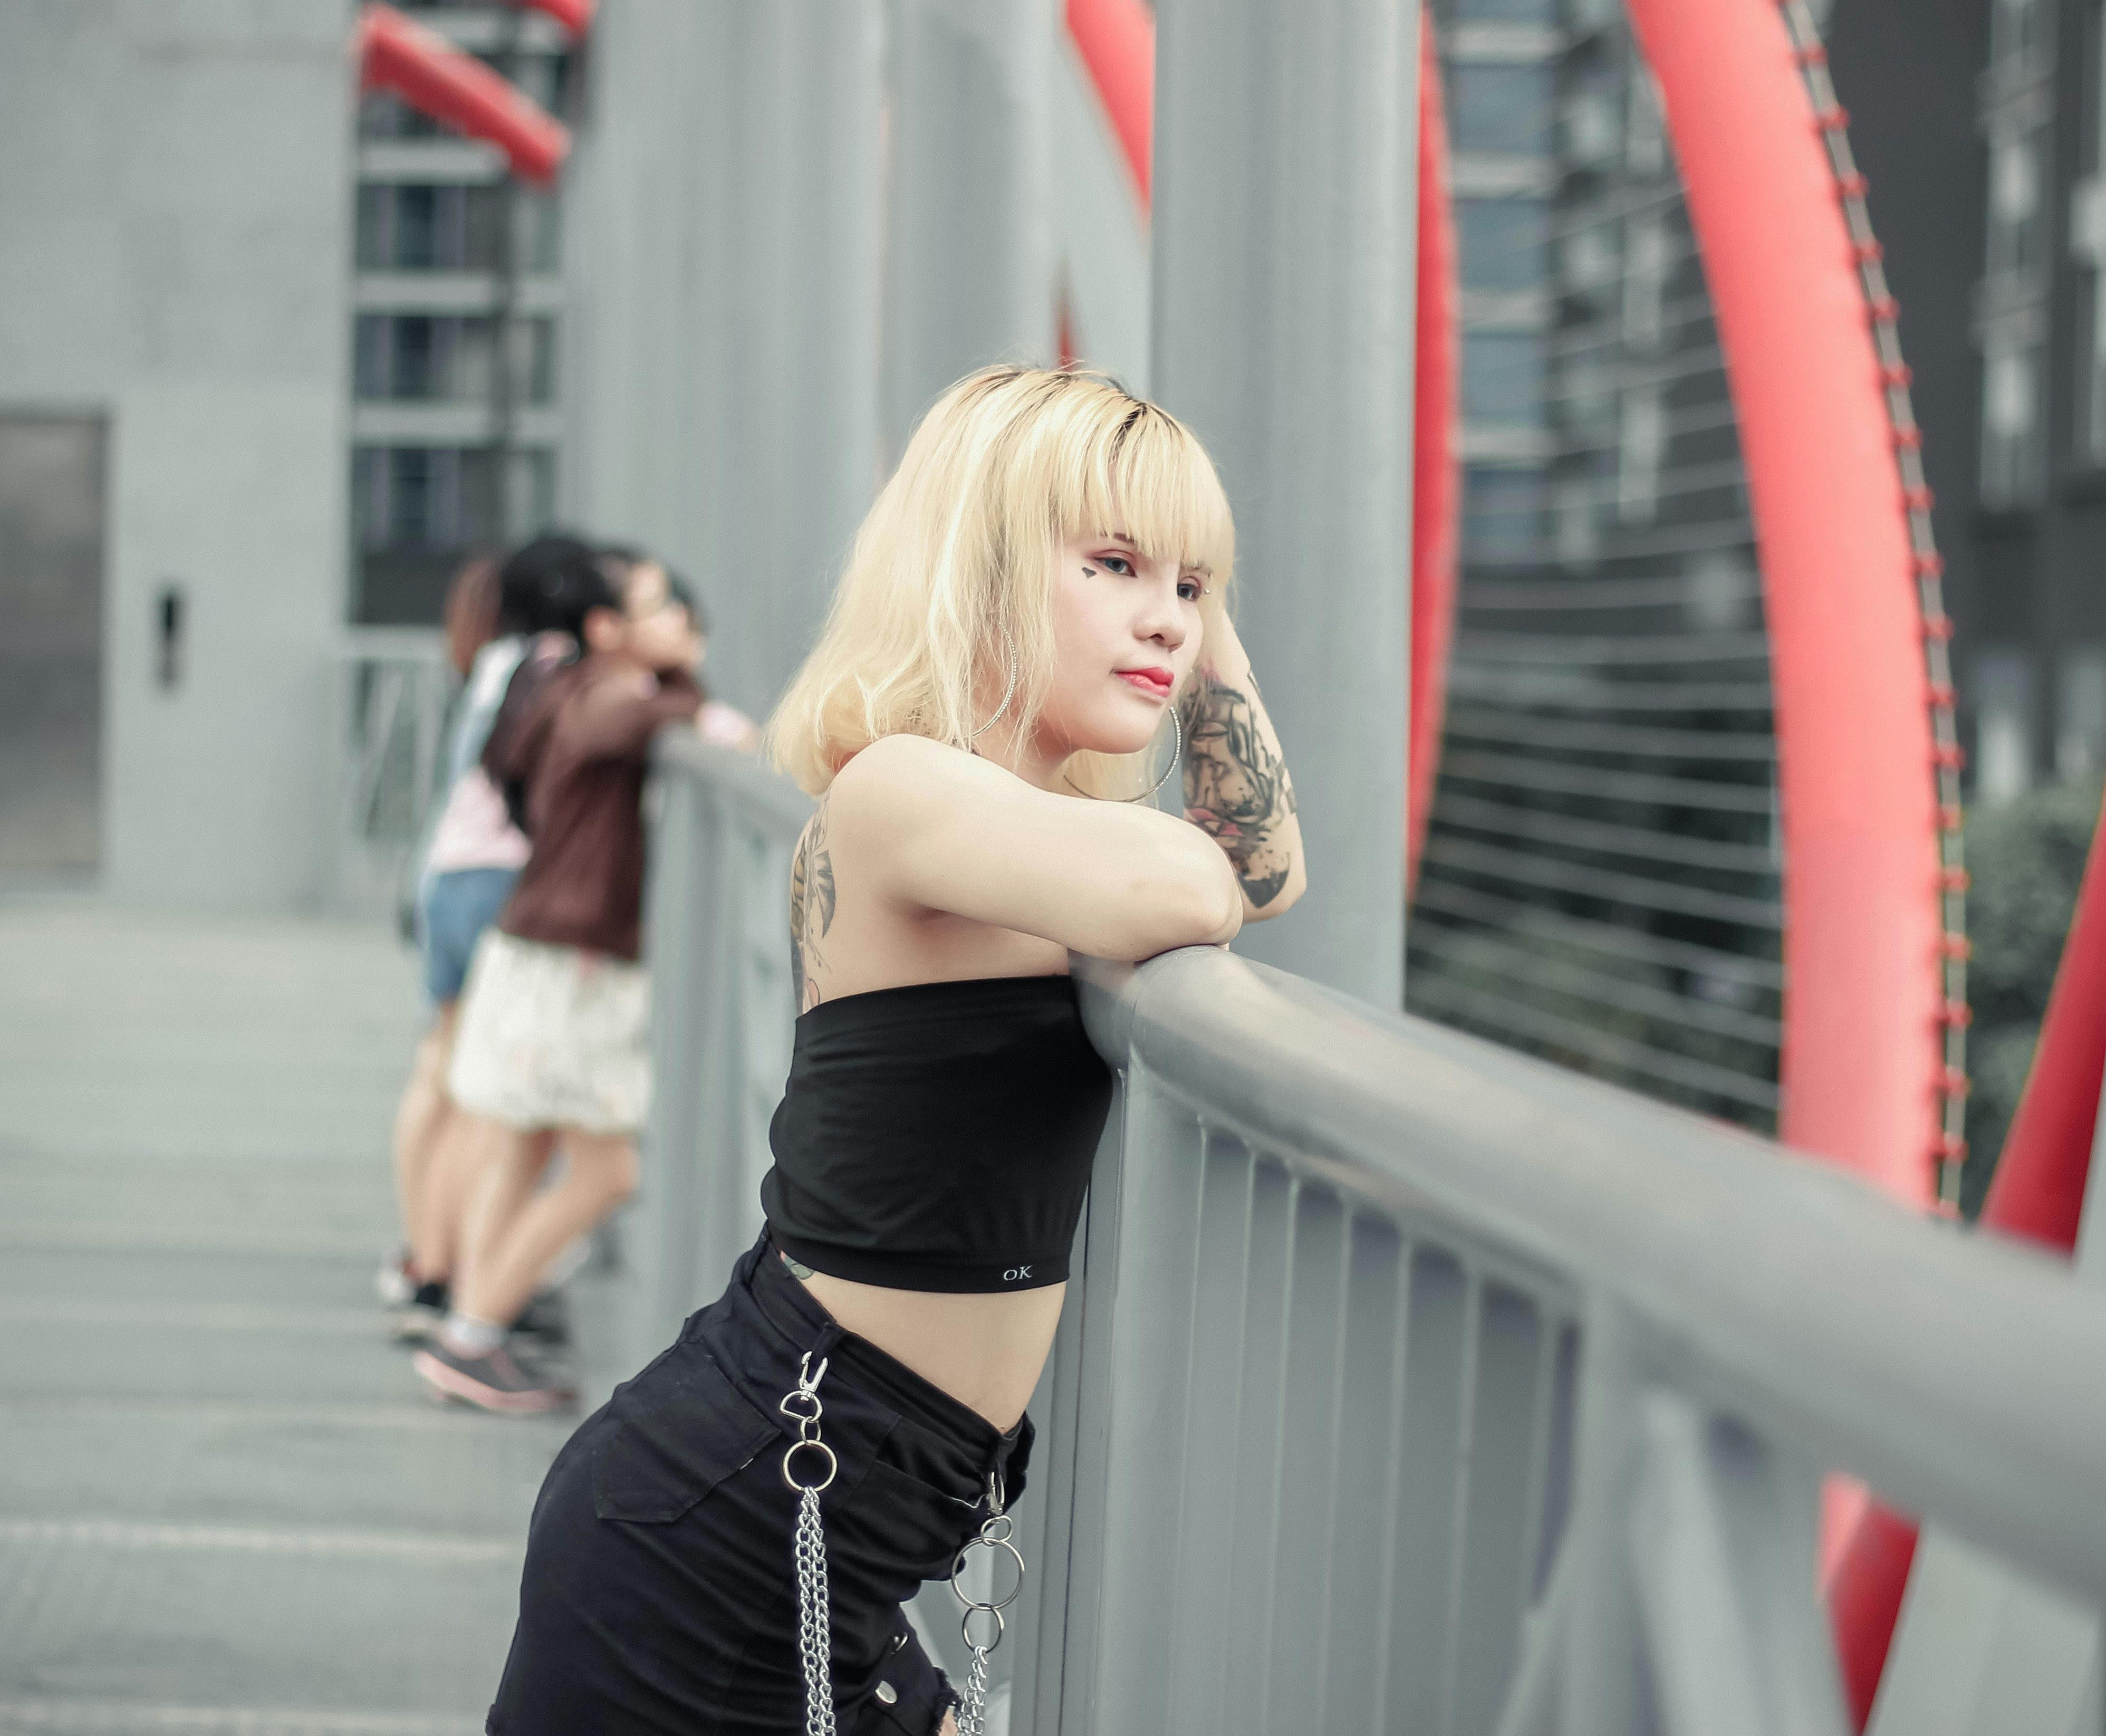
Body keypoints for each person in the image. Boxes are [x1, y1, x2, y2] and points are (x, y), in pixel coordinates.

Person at [482, 366, 1306, 1735]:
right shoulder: (904, 789)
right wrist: (1188, 614)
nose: (1166, 614)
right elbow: (1204, 884)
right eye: (1114, 563)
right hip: (724, 1530)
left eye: (1193, 580)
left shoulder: (1020, 827)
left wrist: (1191, 613)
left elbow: (1257, 861)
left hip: (824, 1524)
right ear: (982, 564)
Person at [415, 552, 748, 1411]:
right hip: (569, 956)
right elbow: (617, 727)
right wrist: (689, 701)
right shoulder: (606, 694)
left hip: (544, 946)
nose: (679, 619)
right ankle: (473, 1333)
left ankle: (473, 1328)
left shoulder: (568, 682)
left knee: (527, 1144)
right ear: (608, 629)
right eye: (657, 607)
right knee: (608, 1172)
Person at [378, 536, 609, 1339]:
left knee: (440, 1074)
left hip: (449, 876)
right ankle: (465, 1282)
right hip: (496, 883)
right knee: (481, 1100)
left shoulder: (497, 665)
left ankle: (430, 1265)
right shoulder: (554, 669)